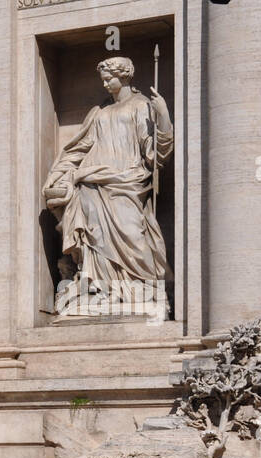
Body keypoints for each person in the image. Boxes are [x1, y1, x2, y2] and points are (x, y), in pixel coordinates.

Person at [44, 56, 173, 317]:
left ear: (124, 76)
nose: (104, 84)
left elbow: (157, 154)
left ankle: (140, 287)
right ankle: (100, 287)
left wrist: (163, 114)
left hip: (127, 180)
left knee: (132, 233)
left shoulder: (142, 106)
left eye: (108, 78)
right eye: (102, 79)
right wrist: (59, 175)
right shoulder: (98, 112)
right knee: (94, 234)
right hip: (93, 181)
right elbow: (79, 147)